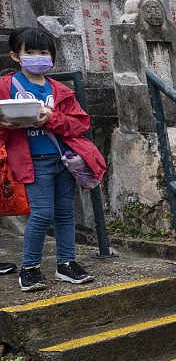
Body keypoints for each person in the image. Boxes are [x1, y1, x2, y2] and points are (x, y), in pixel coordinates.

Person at [0, 27, 106, 291]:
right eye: (31, 52)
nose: (38, 57)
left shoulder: (59, 89)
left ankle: (66, 264)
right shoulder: (7, 85)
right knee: (42, 213)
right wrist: (7, 124)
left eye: (44, 52)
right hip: (33, 160)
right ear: (16, 55)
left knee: (65, 213)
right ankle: (30, 268)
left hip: (64, 159)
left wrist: (53, 118)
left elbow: (79, 124)